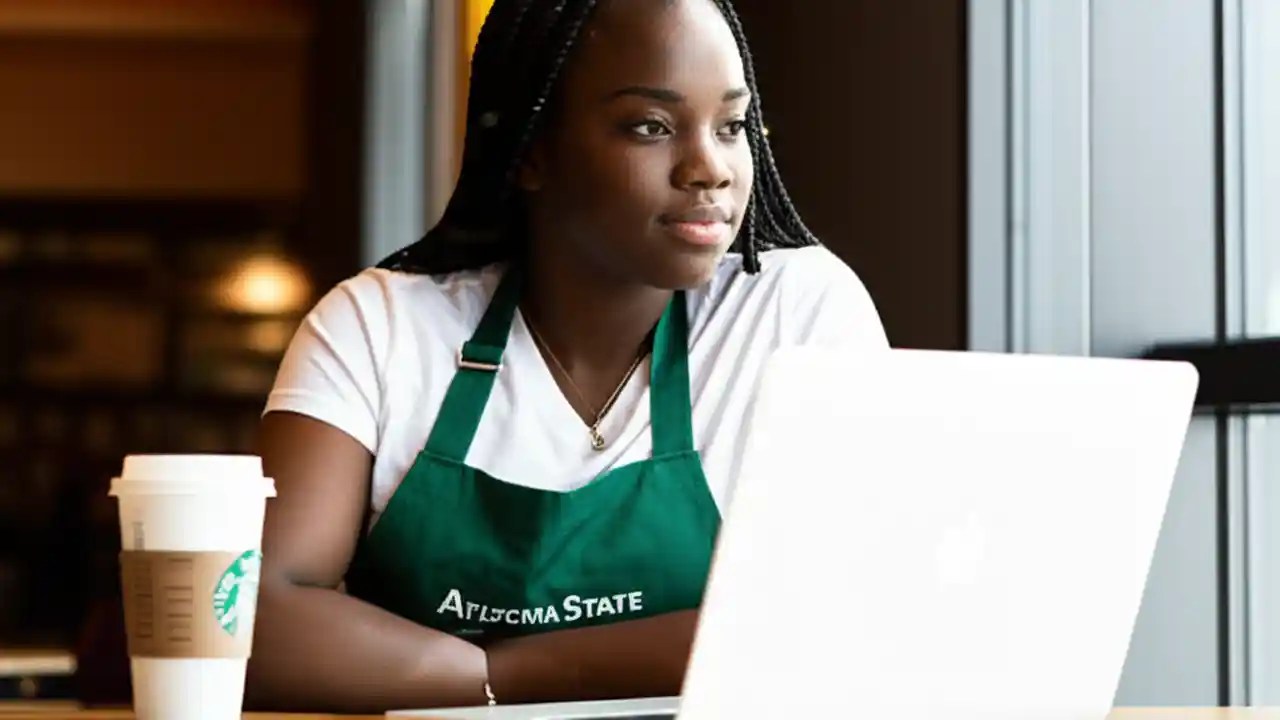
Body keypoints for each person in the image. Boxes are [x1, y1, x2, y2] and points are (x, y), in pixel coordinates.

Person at [247, 0, 888, 713]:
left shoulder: (793, 314)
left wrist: (490, 675)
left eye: (731, 126)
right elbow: (252, 621)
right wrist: (539, 673)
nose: (709, 168)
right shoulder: (383, 328)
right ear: (532, 151)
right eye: (651, 126)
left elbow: (830, 620)